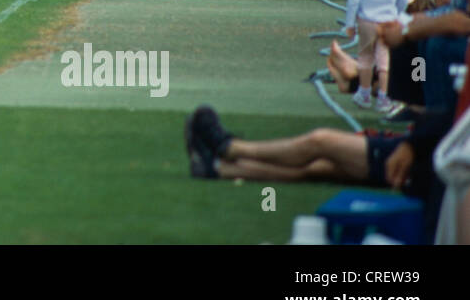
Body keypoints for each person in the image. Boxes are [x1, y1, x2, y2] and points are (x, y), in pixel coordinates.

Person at [184, 105, 443, 201]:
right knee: (318, 168)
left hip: (431, 159)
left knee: (321, 142)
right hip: (437, 163)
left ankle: (230, 149)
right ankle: (218, 169)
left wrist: (415, 141)